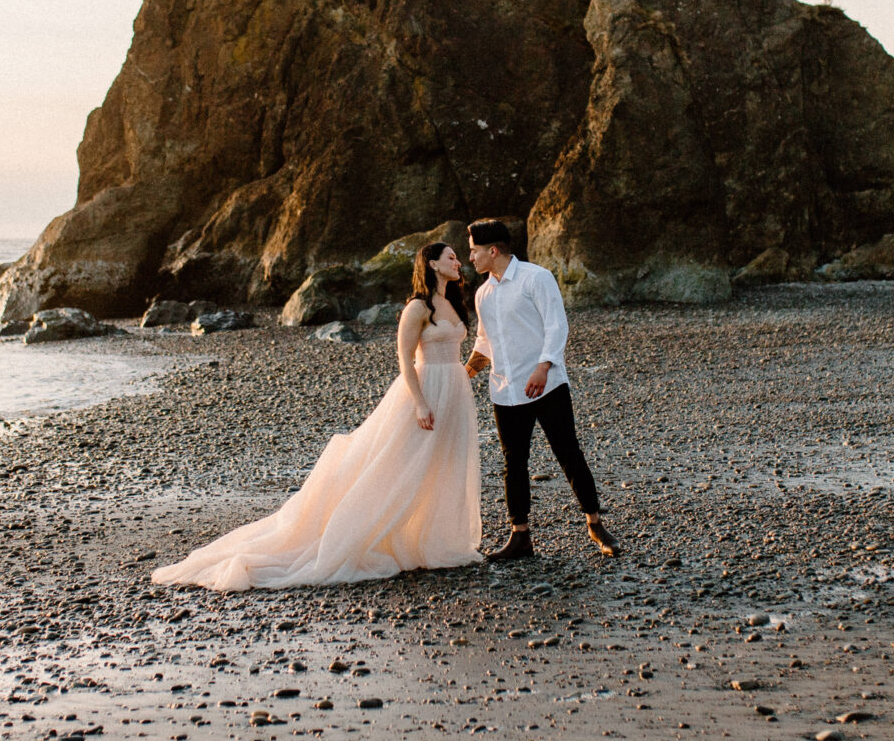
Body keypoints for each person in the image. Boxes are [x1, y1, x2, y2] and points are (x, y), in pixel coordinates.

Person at [151, 242, 480, 590]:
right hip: (426, 388)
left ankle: (432, 539)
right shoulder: (417, 306)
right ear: (431, 264)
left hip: (455, 389)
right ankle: (370, 533)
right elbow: (404, 359)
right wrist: (420, 403)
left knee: (444, 463)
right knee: (400, 463)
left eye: (458, 257)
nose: (458, 262)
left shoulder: (455, 302)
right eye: (451, 257)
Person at [464, 219, 617, 560]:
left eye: (474, 251)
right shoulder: (483, 294)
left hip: (547, 386)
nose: (470, 258)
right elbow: (484, 342)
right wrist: (465, 373)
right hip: (505, 391)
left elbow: (556, 325)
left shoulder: (537, 277)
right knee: (513, 463)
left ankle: (595, 524)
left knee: (568, 453)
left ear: (492, 250)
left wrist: (543, 366)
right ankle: (520, 537)